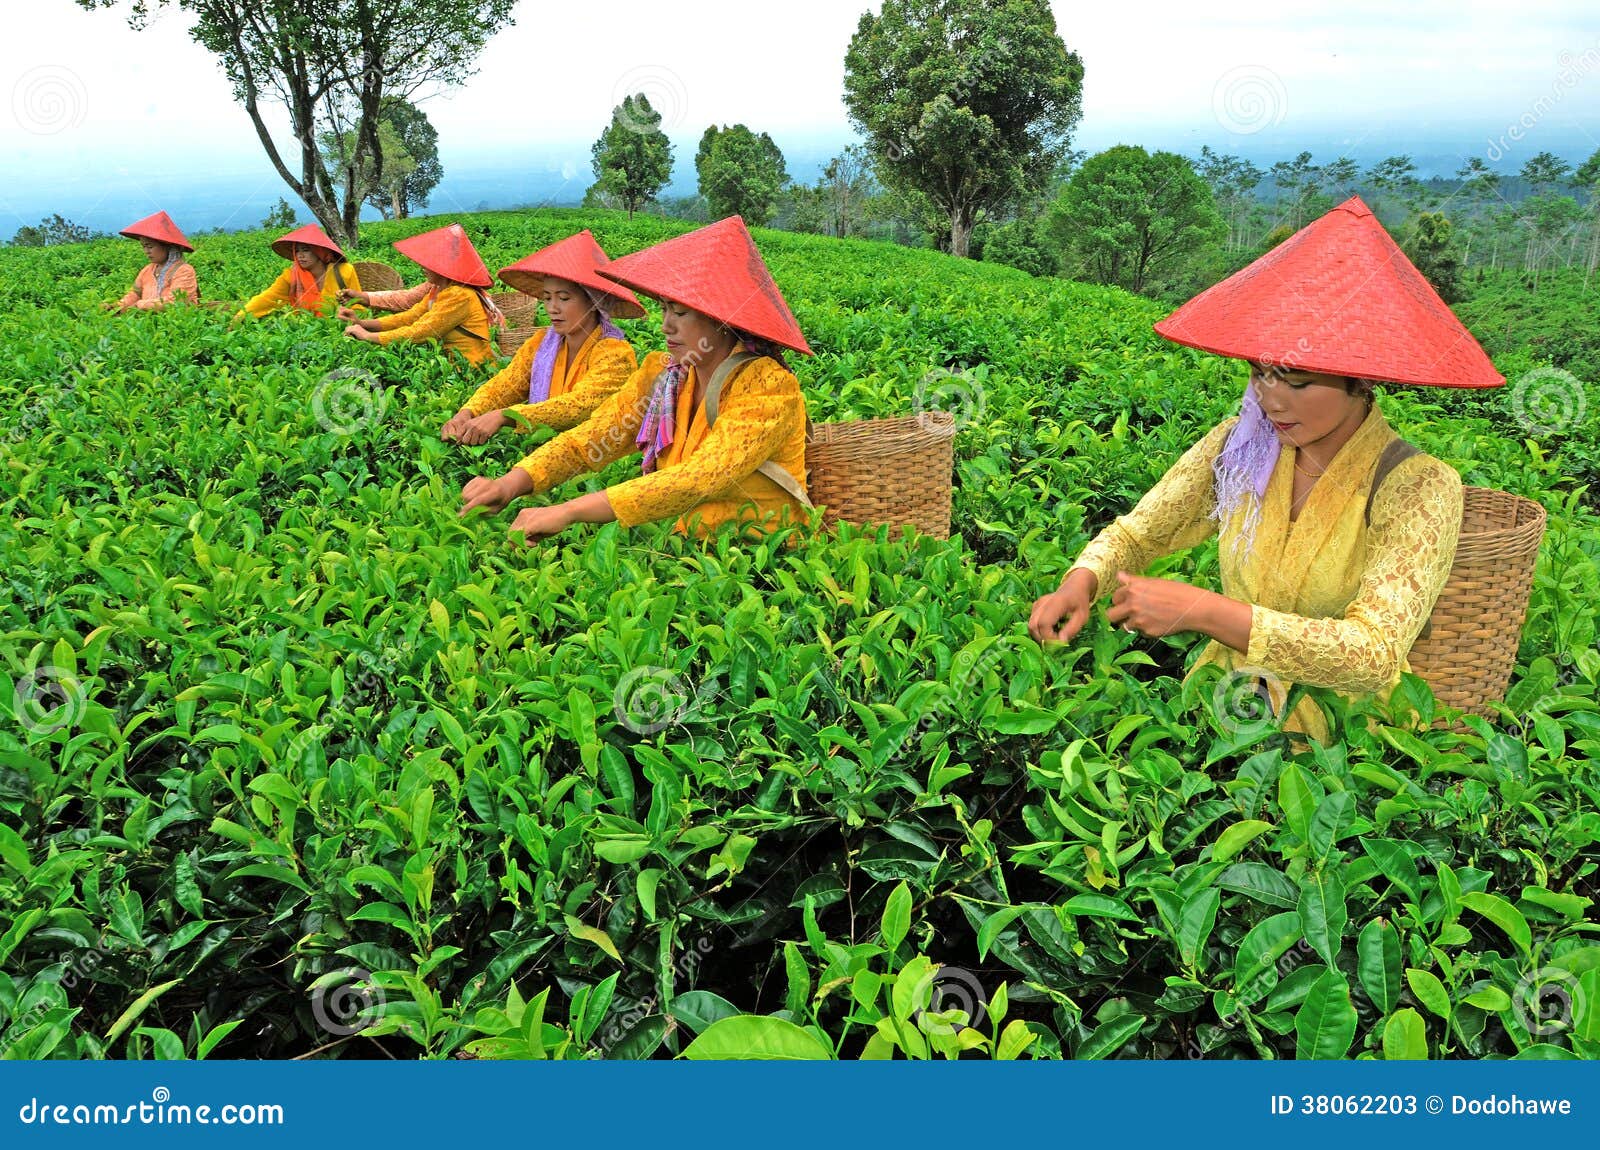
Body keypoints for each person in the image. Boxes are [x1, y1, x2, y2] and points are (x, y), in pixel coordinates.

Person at [1028, 196, 1504, 743]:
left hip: (1347, 746)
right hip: (1223, 709)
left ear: (1360, 382)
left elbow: (1374, 653)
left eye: (1297, 382)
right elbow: (1138, 535)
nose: (1270, 400)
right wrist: (1081, 582)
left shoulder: (1418, 484)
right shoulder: (1240, 446)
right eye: (1261, 374)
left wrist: (1205, 611)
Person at [458, 216, 812, 545]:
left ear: (722, 320)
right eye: (664, 309)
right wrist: (511, 483)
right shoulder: (663, 376)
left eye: (680, 312)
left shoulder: (768, 386)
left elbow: (701, 477)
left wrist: (568, 511)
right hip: (683, 542)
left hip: (759, 554)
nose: (666, 326)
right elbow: (591, 439)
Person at [441, 230, 643, 445]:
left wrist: (507, 416)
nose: (552, 308)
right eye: (547, 298)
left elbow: (580, 406)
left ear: (594, 302)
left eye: (564, 298)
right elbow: (506, 385)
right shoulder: (540, 344)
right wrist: (467, 413)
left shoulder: (615, 355)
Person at [342, 223, 503, 367]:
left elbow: (421, 332)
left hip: (473, 369)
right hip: (453, 367)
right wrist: (362, 323)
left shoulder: (459, 295)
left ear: (443, 268)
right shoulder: (438, 290)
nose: (423, 267)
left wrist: (368, 336)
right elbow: (409, 317)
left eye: (429, 264)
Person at [236, 224, 361, 319]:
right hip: (305, 330)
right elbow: (266, 299)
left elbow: (359, 304)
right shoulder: (290, 276)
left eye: (306, 250)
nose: (300, 255)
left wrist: (351, 317)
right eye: (297, 251)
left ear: (319, 251)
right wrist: (240, 317)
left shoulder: (344, 271)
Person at [108, 211, 198, 312]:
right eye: (144, 246)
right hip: (148, 318)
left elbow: (177, 303)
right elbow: (135, 294)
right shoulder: (147, 270)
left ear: (168, 247)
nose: (146, 251)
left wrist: (140, 305)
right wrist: (117, 306)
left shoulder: (184, 271)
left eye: (150, 246)